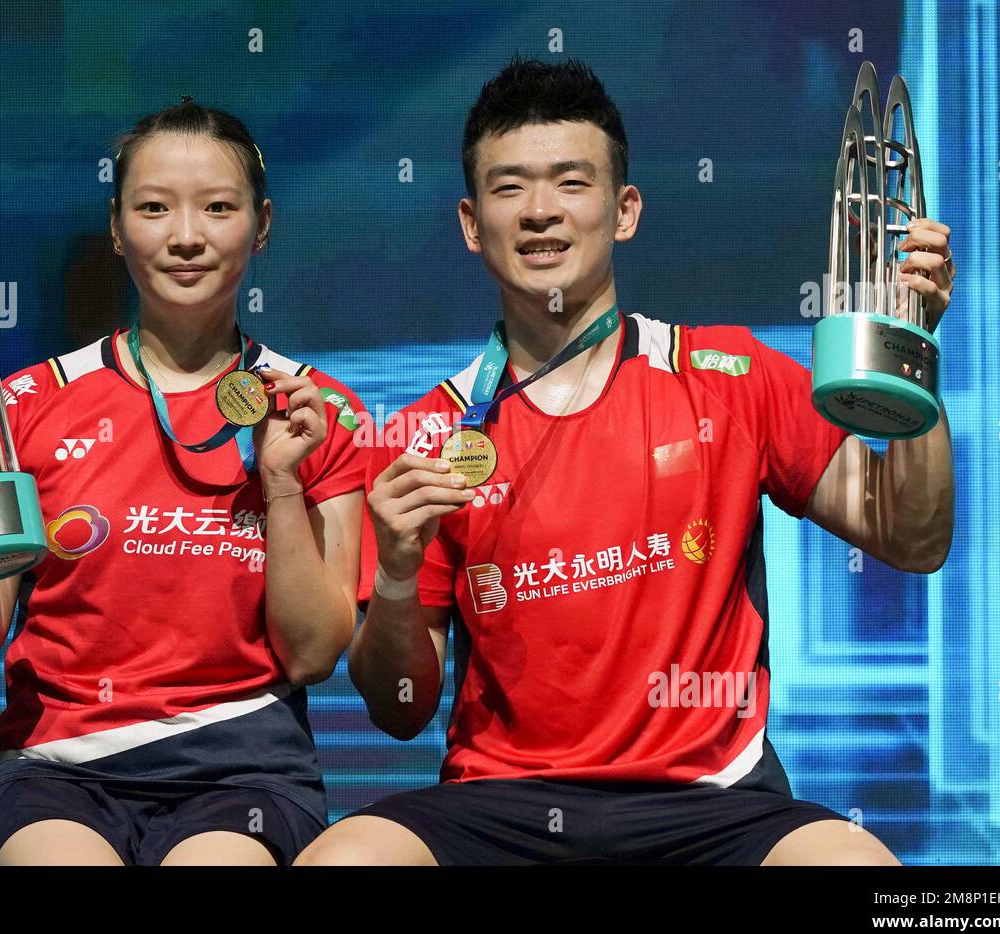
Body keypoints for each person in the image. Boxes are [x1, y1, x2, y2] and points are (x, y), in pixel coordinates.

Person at [296, 56, 955, 866]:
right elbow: (399, 708)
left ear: (625, 210)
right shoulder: (423, 438)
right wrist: (396, 572)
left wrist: (910, 347)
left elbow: (914, 537)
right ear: (472, 224)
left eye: (572, 183)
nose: (540, 212)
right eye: (509, 189)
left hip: (712, 801)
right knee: (346, 858)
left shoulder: (731, 377)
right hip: (501, 806)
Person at [0, 97, 367, 865]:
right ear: (115, 226)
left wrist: (278, 483)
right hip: (53, 772)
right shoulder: (22, 409)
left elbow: (309, 656)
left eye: (218, 207)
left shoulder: (316, 412)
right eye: (153, 207)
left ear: (262, 225)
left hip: (244, 772)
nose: (186, 236)